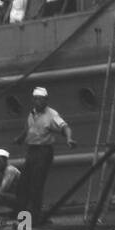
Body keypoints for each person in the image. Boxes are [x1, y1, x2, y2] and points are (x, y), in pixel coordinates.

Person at [13, 86, 74, 221]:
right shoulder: (32, 113)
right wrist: (20, 139)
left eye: (40, 99)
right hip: (31, 151)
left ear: (46, 100)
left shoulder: (52, 115)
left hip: (43, 152)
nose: (37, 102)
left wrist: (69, 138)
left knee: (36, 184)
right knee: (24, 184)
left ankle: (35, 217)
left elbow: (65, 127)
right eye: (35, 99)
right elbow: (28, 129)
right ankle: (24, 217)